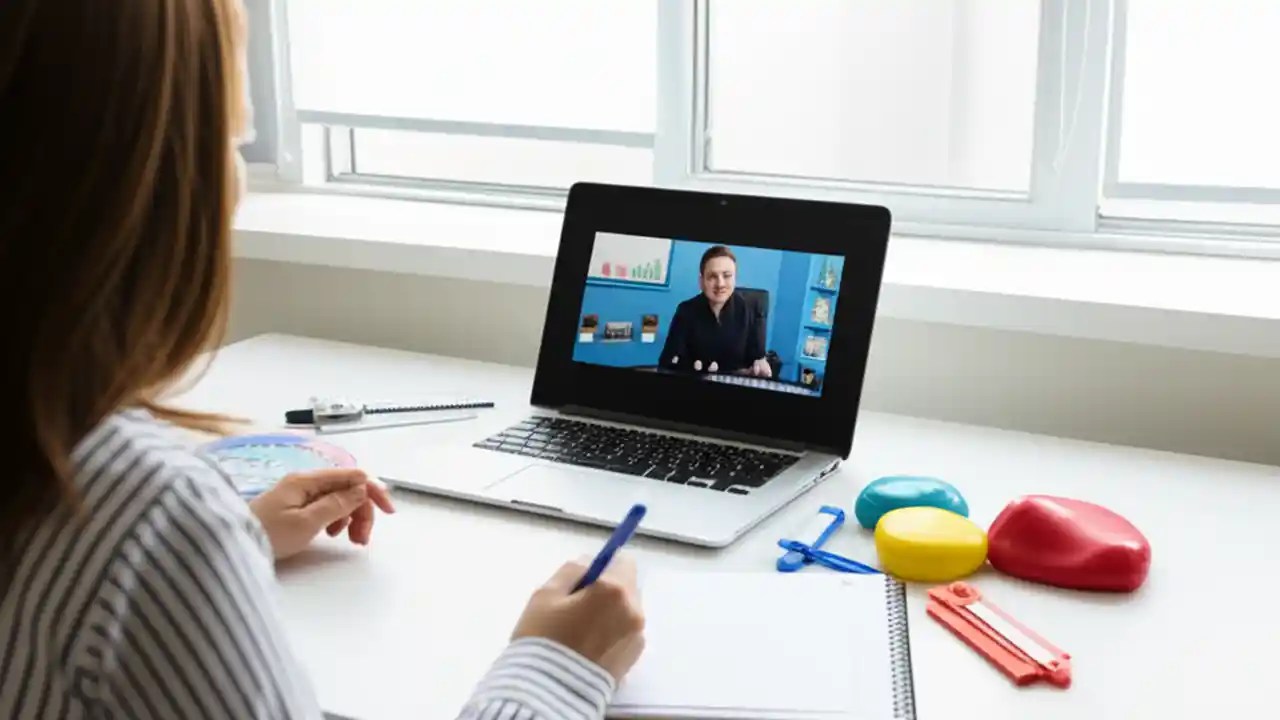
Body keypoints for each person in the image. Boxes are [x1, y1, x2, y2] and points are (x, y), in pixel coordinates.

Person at [0, 1, 644, 718]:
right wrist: (555, 668)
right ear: (138, 186)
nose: (238, 183)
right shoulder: (144, 516)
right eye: (233, 142)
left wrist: (231, 543)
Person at [658, 246, 773, 377]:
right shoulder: (686, 310)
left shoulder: (752, 308)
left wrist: (759, 366)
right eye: (712, 276)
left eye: (727, 276)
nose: (720, 284)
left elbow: (757, 358)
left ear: (734, 278)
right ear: (701, 282)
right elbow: (667, 362)